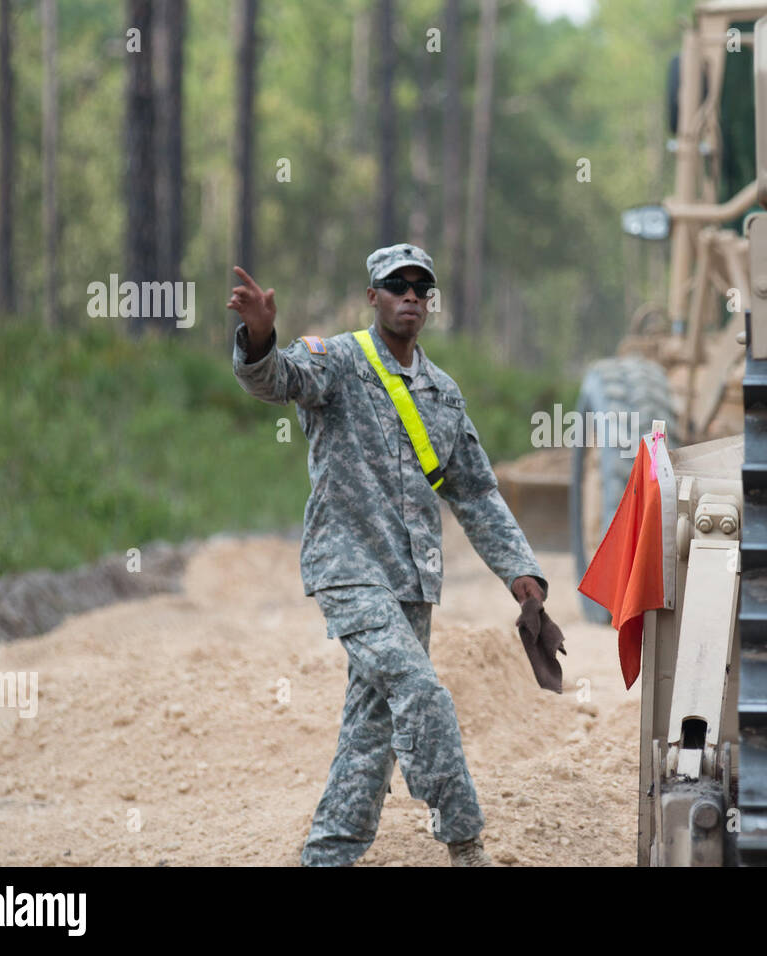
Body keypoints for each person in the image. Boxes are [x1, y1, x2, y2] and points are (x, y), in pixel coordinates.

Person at [228, 243, 548, 867]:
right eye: (394, 285)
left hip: (413, 585)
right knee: (422, 692)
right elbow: (277, 380)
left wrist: (522, 574)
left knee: (371, 735)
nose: (409, 295)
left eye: (419, 287)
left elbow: (477, 493)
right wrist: (260, 337)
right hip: (348, 570)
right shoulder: (339, 362)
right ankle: (465, 841)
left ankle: (327, 856)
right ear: (371, 295)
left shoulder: (444, 394)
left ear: (429, 301)